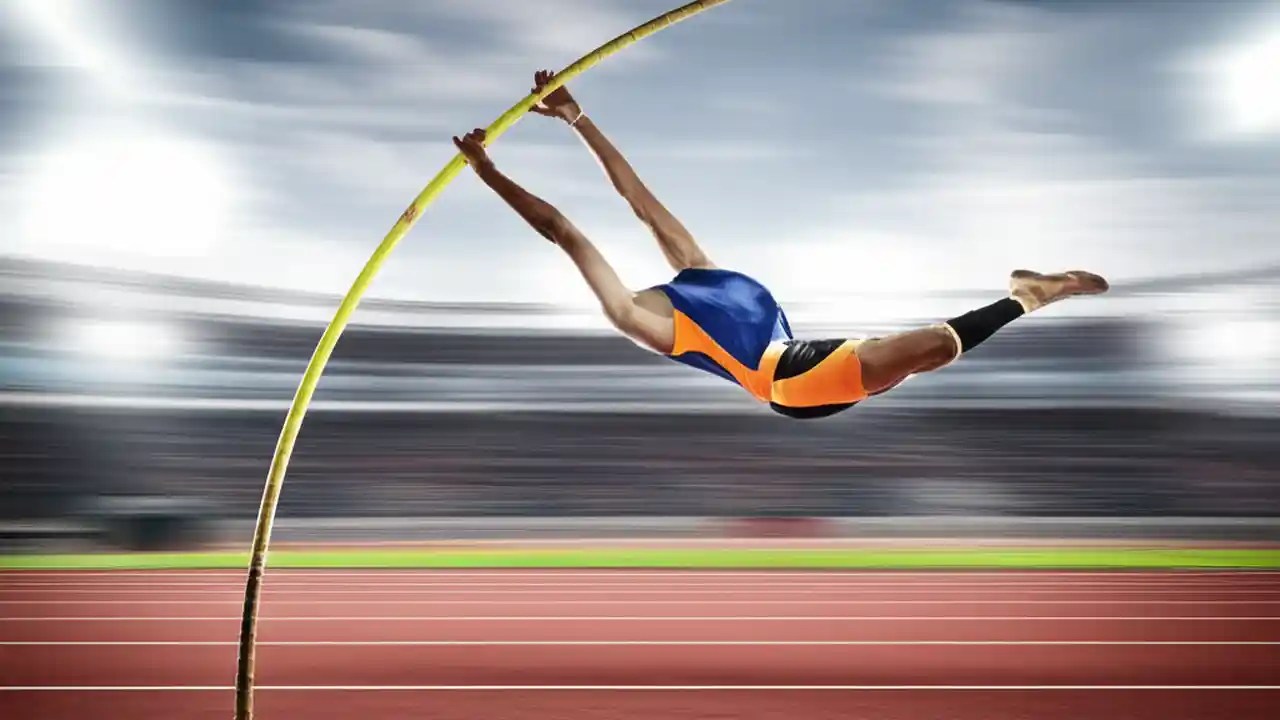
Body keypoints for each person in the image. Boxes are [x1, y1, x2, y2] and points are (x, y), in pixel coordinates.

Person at [452, 70, 1109, 419]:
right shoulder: (644, 321)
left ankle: (1026, 293)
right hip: (792, 381)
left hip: (813, 358)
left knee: (925, 355)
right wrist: (487, 171)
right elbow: (562, 230)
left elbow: (635, 194)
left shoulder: (697, 269)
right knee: (933, 346)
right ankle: (1028, 295)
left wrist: (577, 118)